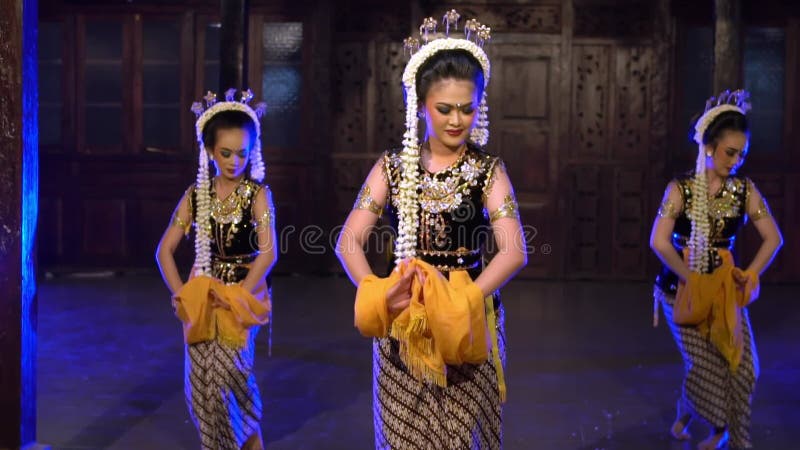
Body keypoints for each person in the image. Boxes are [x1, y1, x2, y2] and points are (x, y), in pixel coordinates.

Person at [336, 10, 527, 449]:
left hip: (468, 320)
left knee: (458, 440)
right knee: (403, 439)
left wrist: (464, 300)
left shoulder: (487, 170)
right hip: (406, 319)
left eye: (467, 108)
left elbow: (514, 251)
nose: (456, 120)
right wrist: (376, 291)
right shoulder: (392, 167)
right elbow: (349, 239)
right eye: (444, 109)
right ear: (421, 105)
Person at [649, 89, 783, 449]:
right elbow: (659, 241)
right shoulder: (681, 189)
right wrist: (688, 276)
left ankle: (735, 438)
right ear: (708, 146)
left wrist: (749, 272)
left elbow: (773, 238)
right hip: (680, 293)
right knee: (706, 370)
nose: (736, 161)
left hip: (725, 292)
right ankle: (718, 428)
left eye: (742, 154)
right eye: (730, 152)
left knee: (745, 369)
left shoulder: (744, 191)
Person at [156, 89, 277, 450]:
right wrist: (181, 294)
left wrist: (240, 293)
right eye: (225, 153)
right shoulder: (196, 195)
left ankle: (247, 443)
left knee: (230, 379)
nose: (233, 161)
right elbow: (164, 250)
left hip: (243, 297)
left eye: (242, 153)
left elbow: (268, 253)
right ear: (209, 151)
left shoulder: (258, 194)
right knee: (200, 387)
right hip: (203, 296)